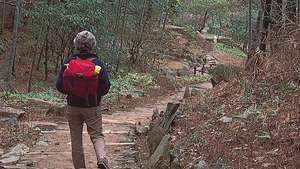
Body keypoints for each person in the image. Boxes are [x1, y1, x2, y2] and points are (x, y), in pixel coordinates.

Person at [56, 31, 111, 169]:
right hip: (92, 106)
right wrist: (95, 95)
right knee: (97, 135)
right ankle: (102, 158)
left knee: (76, 141)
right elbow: (106, 87)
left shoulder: (68, 62)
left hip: (73, 106)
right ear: (93, 45)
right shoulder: (98, 63)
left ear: (76, 45)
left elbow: (59, 86)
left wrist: (72, 92)